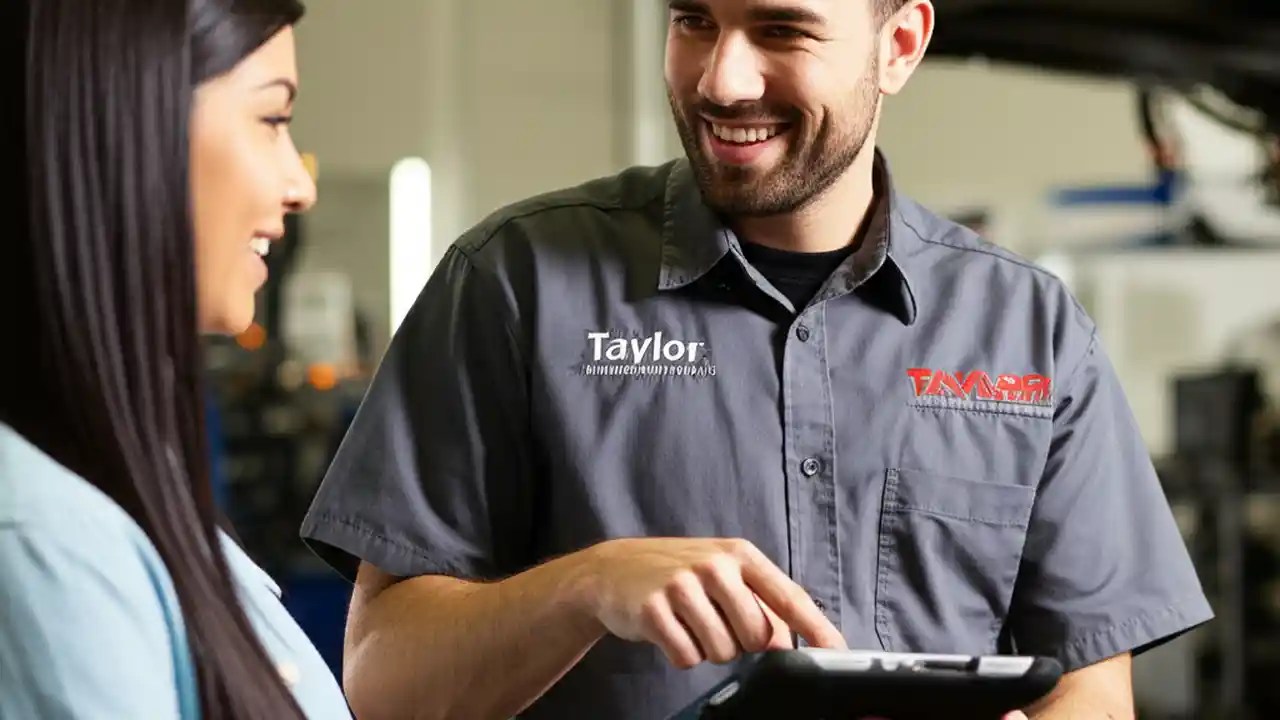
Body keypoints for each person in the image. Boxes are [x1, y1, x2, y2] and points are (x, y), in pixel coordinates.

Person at [301, 1, 1212, 718]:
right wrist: (582, 586)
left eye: (781, 28)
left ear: (899, 44)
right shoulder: (515, 284)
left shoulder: (1029, 330)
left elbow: (1092, 693)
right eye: (694, 19)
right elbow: (384, 684)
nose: (723, 79)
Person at [0, 1, 346, 718]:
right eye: (272, 121)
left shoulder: (123, 494)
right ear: (128, 132)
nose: (299, 184)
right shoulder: (50, 545)